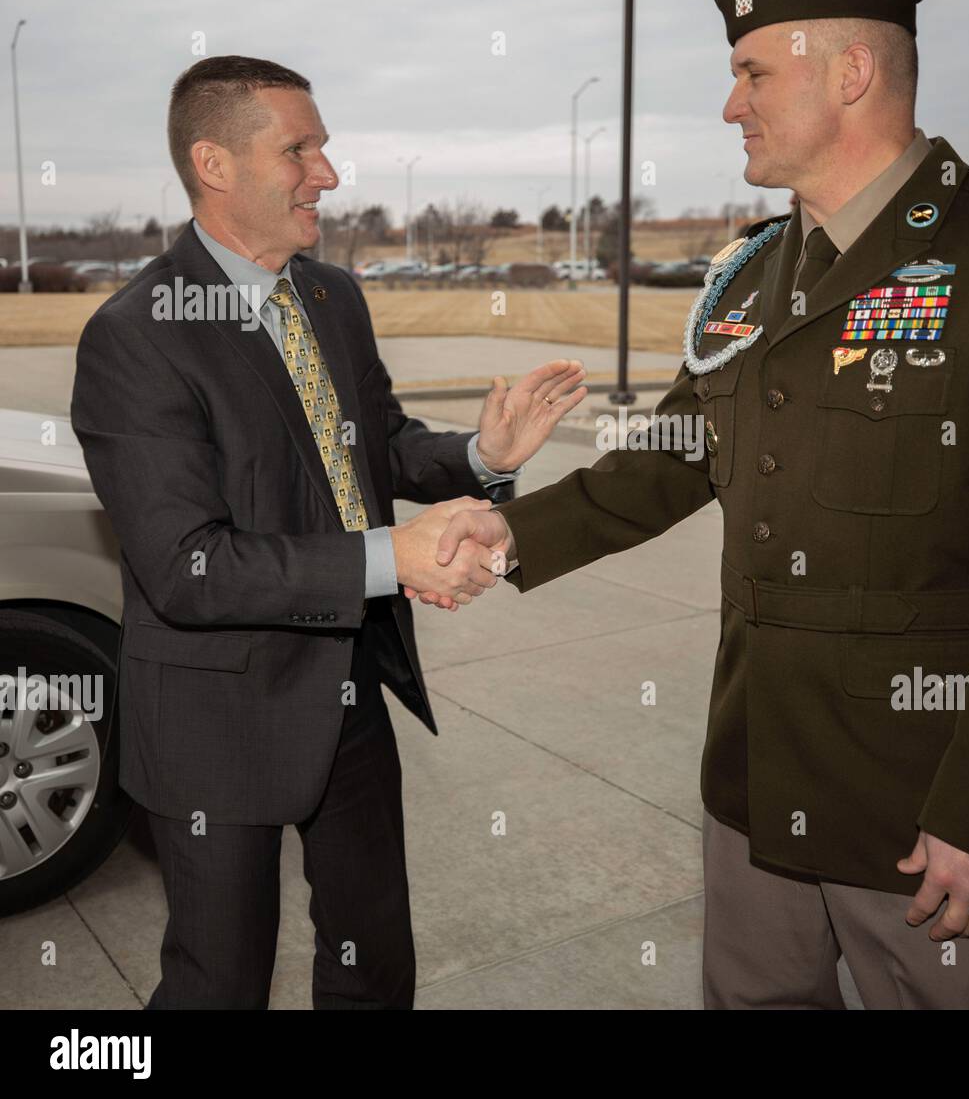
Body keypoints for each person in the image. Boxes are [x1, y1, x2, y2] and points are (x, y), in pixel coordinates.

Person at [427, 0, 969, 1010]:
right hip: (755, 789)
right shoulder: (754, 272)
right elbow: (673, 458)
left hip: (925, 814)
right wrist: (506, 534)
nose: (731, 103)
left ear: (851, 73)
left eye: (754, 71)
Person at [70, 55, 586, 1008]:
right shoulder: (136, 335)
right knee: (218, 982)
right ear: (213, 164)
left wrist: (481, 453)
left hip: (353, 692)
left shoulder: (332, 298)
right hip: (215, 725)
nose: (329, 174)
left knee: (375, 963)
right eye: (299, 149)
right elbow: (191, 569)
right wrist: (398, 556)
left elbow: (375, 445)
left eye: (326, 147)